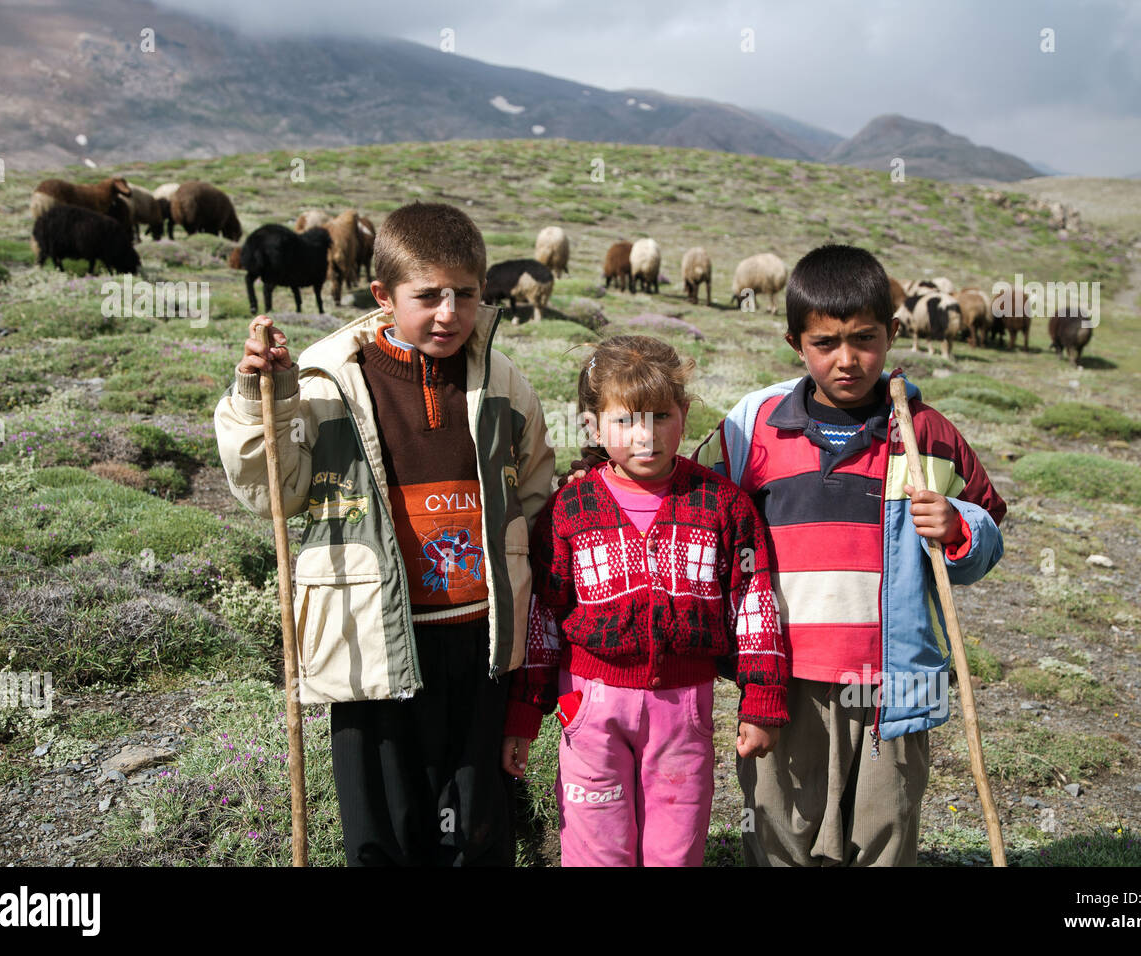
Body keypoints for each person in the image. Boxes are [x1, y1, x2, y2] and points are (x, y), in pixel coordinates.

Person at [214, 202, 555, 866]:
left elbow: (532, 494)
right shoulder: (323, 378)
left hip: (480, 644)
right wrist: (262, 398)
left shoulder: (505, 384)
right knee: (385, 837)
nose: (450, 312)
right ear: (383, 295)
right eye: (427, 296)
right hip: (371, 646)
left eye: (465, 293)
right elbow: (271, 490)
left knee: (476, 834)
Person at [694, 244, 1006, 866]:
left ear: (893, 333)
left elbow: (987, 525)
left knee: (884, 826)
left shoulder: (926, 433)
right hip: (782, 673)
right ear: (794, 342)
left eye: (864, 339)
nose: (846, 360)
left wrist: (957, 527)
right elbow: (698, 506)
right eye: (825, 343)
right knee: (781, 820)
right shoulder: (753, 425)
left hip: (893, 678)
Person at [501, 335, 789, 866]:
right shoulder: (572, 507)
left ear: (684, 412)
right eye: (625, 420)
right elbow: (543, 614)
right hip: (590, 709)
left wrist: (762, 699)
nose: (645, 437)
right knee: (595, 848)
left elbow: (755, 606)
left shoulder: (721, 505)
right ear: (592, 424)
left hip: (684, 711)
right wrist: (524, 712)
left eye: (661, 417)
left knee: (674, 849)